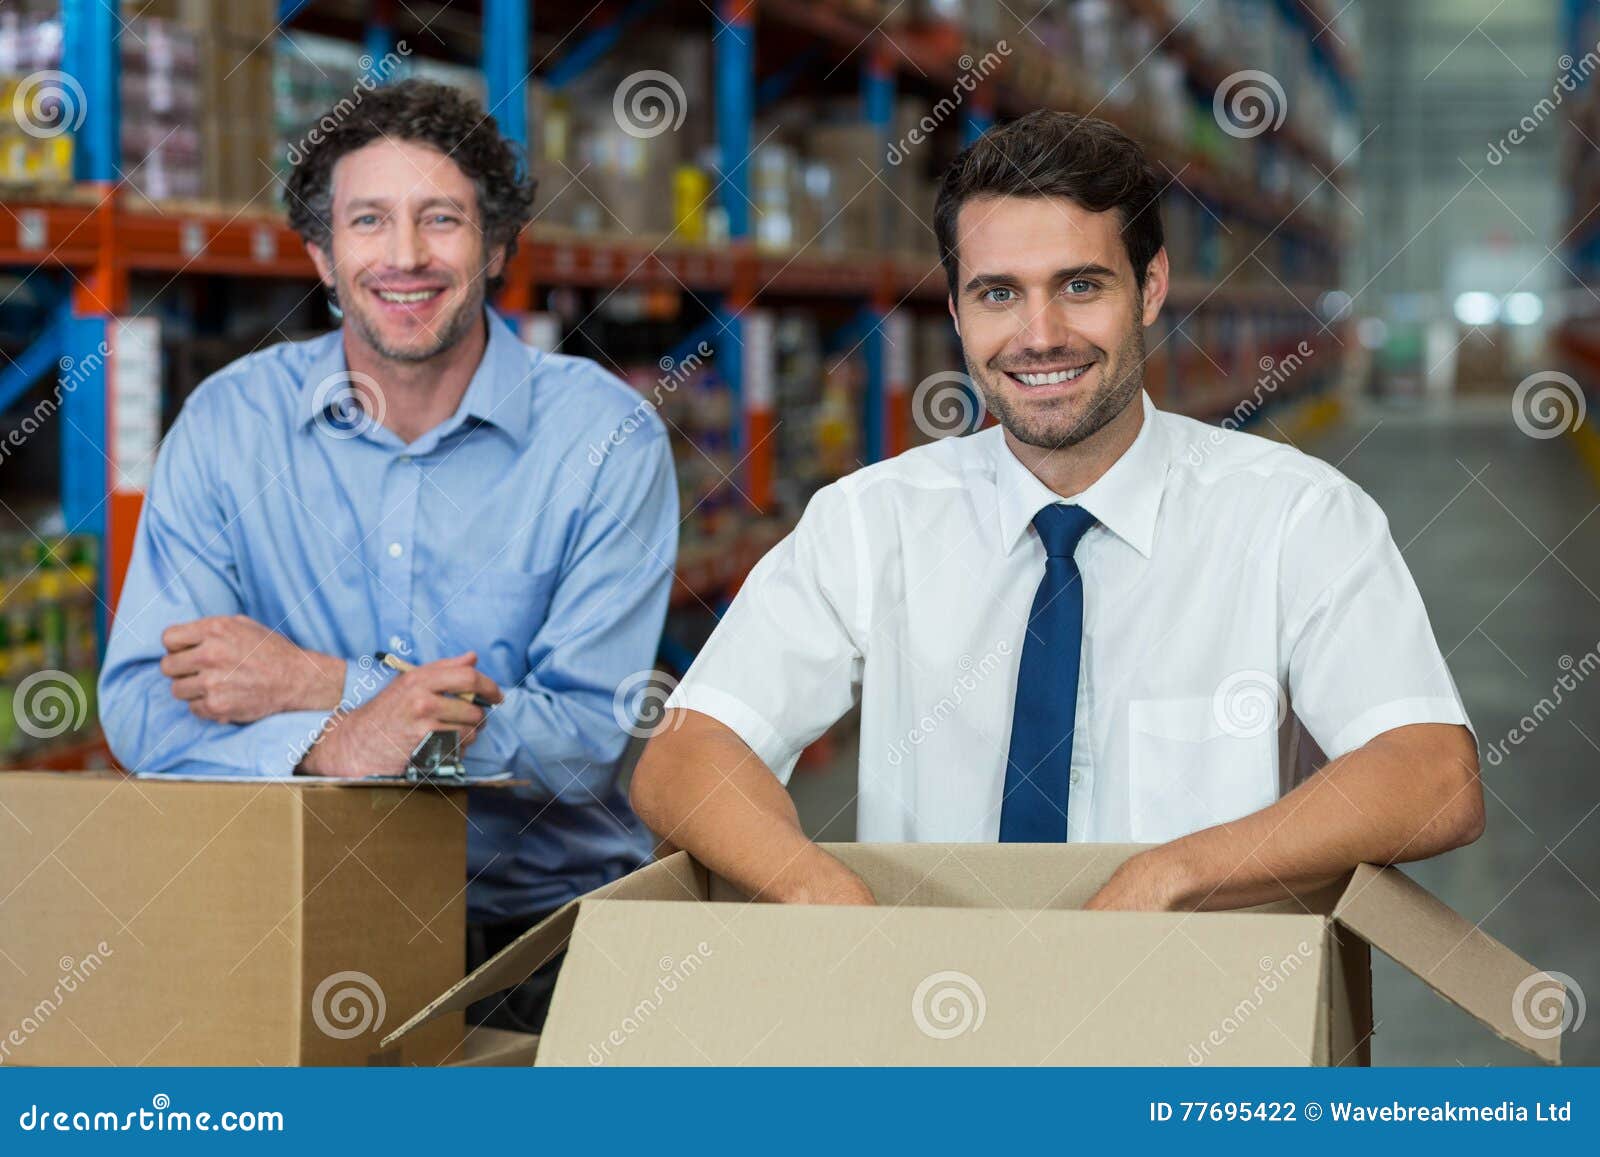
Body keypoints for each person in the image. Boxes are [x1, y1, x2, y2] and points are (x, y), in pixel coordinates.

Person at [629, 110, 1483, 911]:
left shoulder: (1295, 516)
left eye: (1079, 285)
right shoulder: (871, 522)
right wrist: (826, 896)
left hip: (1190, 1018)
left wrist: (1172, 872)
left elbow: (1432, 776)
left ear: (1149, 289)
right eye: (999, 293)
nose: (1040, 335)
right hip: (935, 1013)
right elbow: (682, 759)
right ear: (957, 310)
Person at [98, 80, 678, 1031]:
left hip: (540, 926)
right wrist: (338, 741)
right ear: (324, 256)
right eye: (368, 221)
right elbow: (138, 707)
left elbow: (585, 746)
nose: (405, 256)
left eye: (440, 219)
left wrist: (323, 682)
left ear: (494, 246)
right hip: (290, 897)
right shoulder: (228, 425)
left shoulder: (606, 438)